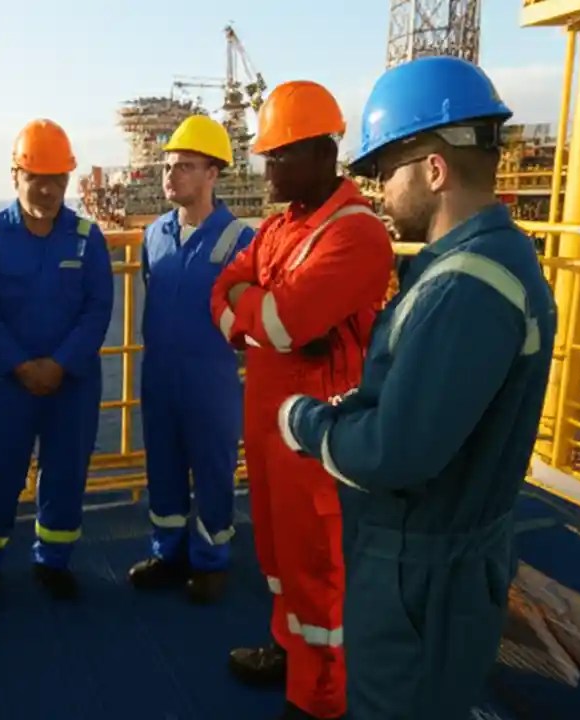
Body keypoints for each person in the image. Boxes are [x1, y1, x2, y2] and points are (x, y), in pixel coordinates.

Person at [278, 57, 556, 720]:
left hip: (421, 572)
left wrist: (309, 424)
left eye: (383, 173)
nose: (377, 192)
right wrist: (368, 407)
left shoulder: (462, 289)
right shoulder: (493, 262)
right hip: (449, 557)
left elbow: (396, 454)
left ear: (433, 170)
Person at [211, 81, 394, 720]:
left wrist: (252, 314)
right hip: (267, 419)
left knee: (317, 565)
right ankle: (289, 653)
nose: (265, 169)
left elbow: (284, 325)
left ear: (320, 153)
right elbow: (225, 294)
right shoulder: (282, 226)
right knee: (277, 555)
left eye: (278, 156)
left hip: (316, 428)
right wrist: (251, 313)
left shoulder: (357, 235)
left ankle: (320, 699)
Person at [0, 118, 114, 615]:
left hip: (72, 384)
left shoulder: (88, 238)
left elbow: (98, 308)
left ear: (69, 180)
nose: (47, 190)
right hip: (8, 384)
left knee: (66, 473)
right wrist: (21, 366)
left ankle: (53, 561)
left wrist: (60, 364)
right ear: (15, 177)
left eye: (58, 180)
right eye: (36, 178)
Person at [126, 114, 252, 604]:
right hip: (159, 374)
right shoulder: (154, 234)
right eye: (169, 166)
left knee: (214, 469)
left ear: (212, 174)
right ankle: (169, 552)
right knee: (163, 466)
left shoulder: (240, 240)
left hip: (211, 376)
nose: (170, 176)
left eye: (184, 166)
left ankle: (212, 559)